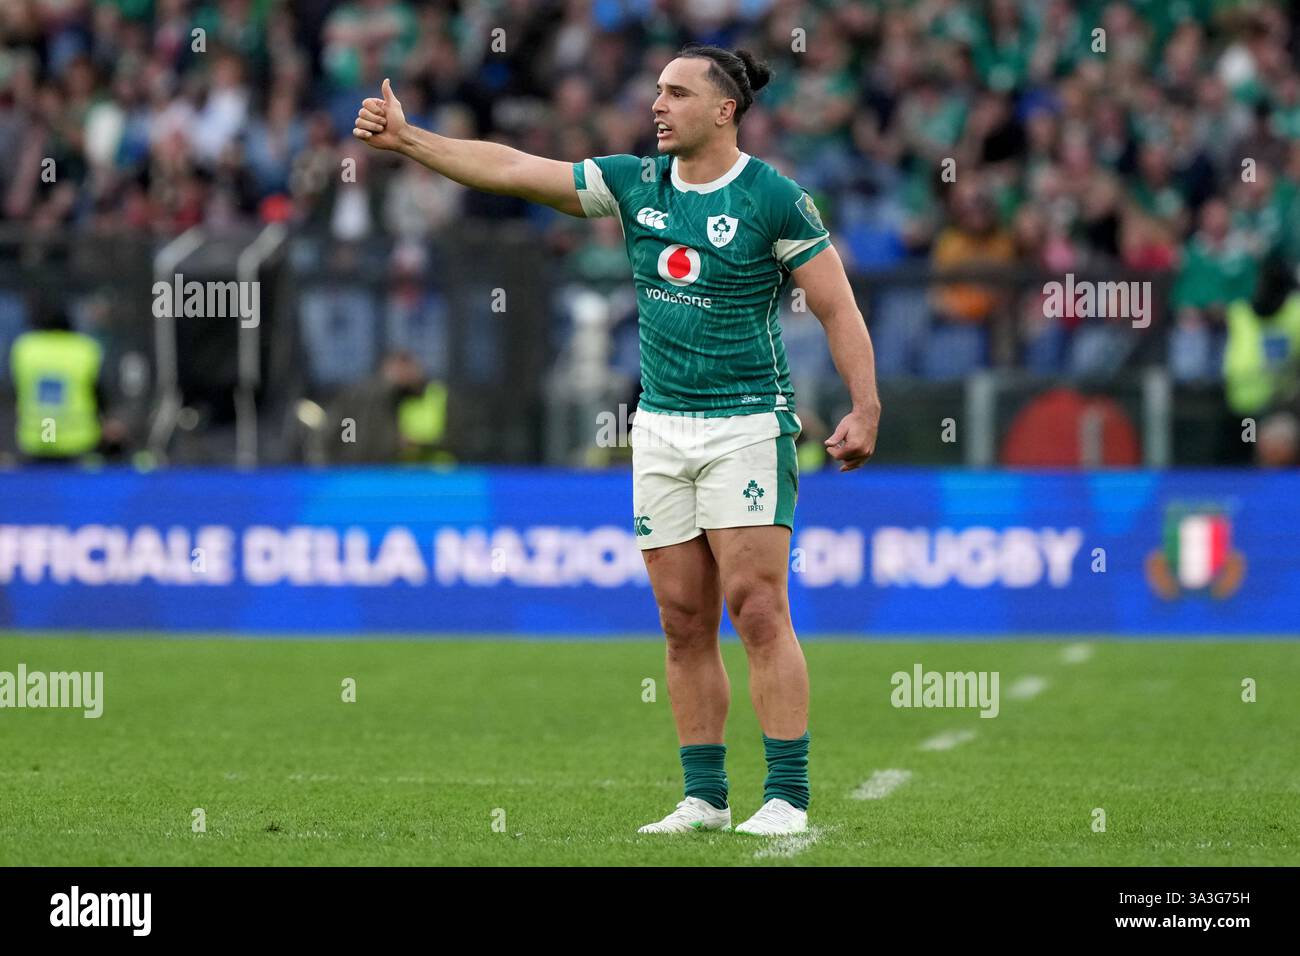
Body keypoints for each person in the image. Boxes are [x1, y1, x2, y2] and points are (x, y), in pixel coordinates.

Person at [354, 44, 881, 837]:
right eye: (655, 90)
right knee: (681, 619)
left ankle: (787, 796)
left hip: (746, 423)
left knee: (758, 607)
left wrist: (865, 407)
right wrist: (410, 139)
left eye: (676, 93)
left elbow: (838, 308)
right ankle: (704, 798)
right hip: (660, 429)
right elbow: (513, 168)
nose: (657, 105)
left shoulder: (775, 198)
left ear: (723, 110)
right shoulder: (636, 183)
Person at [8, 301, 120, 464]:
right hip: (77, 440)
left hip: (37, 439)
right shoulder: (85, 349)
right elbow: (99, 392)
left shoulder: (25, 347)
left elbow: (14, 389)